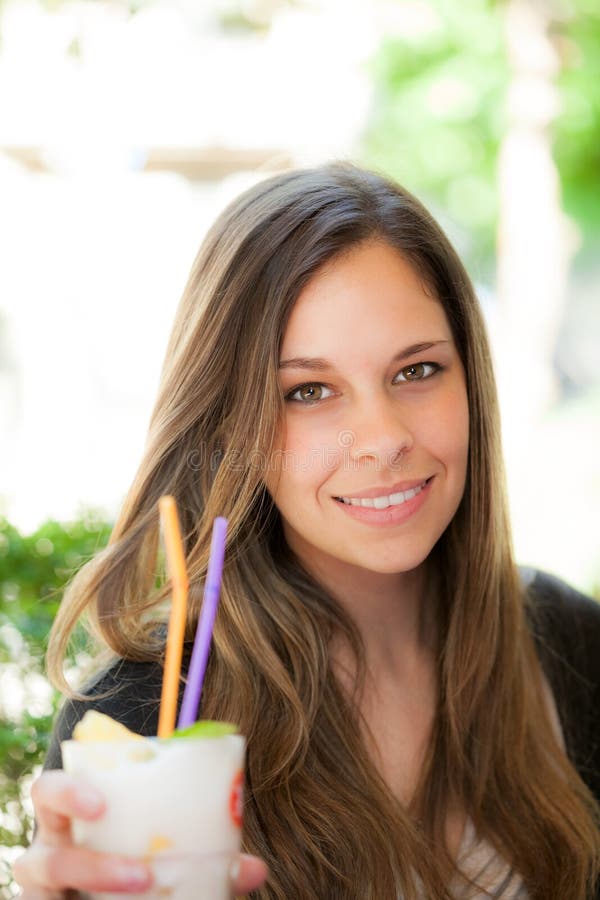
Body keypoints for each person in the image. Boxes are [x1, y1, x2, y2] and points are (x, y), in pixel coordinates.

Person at [13, 162, 600, 900]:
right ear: (231, 424)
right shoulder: (135, 724)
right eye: (309, 391)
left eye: (417, 371)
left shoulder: (572, 645)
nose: (382, 439)